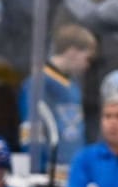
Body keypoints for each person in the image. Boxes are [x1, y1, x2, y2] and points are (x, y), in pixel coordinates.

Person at [19, 23, 95, 171]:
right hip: (49, 174)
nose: (87, 65)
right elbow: (31, 132)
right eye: (87, 58)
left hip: (73, 172)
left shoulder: (73, 86)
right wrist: (38, 170)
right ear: (72, 51)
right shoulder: (38, 83)